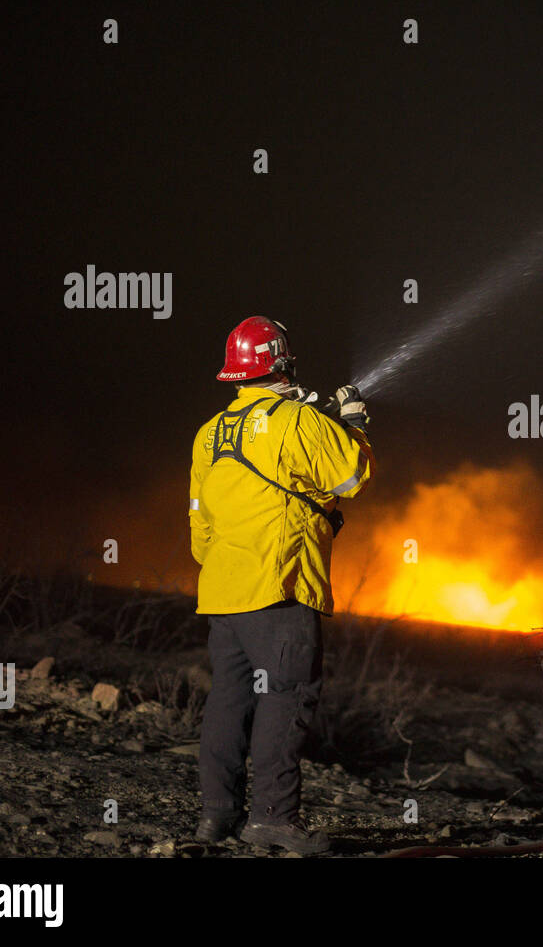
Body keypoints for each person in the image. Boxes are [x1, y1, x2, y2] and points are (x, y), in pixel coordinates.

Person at [188, 316, 373, 854]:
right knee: (287, 697)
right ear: (283, 363)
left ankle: (216, 814)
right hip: (281, 587)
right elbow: (351, 477)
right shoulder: (295, 419)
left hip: (223, 591)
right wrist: (354, 424)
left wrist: (226, 566)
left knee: (229, 700)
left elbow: (200, 524)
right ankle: (272, 818)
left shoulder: (208, 433)